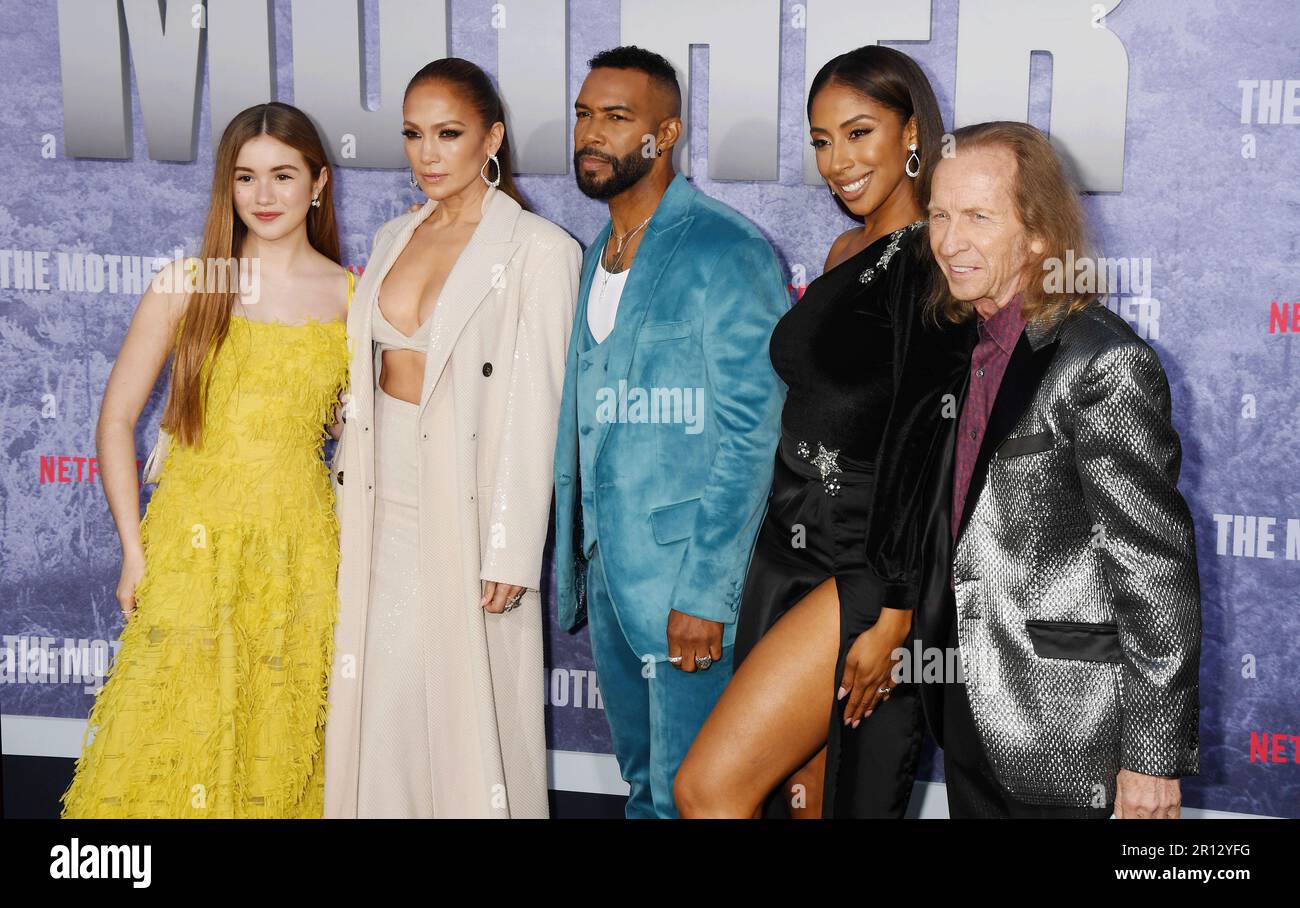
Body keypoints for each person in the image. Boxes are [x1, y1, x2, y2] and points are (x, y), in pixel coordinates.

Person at [675, 46, 970, 818]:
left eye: (859, 132)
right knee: (806, 801)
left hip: (864, 564)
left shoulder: (933, 261)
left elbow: (924, 440)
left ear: (913, 133)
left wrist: (899, 609)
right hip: (786, 549)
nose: (837, 161)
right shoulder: (846, 249)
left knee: (708, 790)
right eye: (820, 139)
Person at [60, 102, 352, 818]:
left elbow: (358, 436)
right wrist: (133, 551)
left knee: (278, 731)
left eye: (283, 175)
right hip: (192, 546)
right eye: (246, 177)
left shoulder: (352, 296)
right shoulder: (189, 284)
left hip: (302, 551)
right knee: (172, 723)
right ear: (228, 187)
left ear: (317, 183)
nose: (264, 195)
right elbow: (117, 420)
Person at [920, 120, 1201, 819]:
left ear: (1040, 235)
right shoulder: (959, 347)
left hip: (1070, 730)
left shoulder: (1103, 362)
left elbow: (1153, 567)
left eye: (979, 217)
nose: (950, 242)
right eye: (939, 215)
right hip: (970, 706)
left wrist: (1152, 757)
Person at [323, 58, 580, 819]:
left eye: (448, 133)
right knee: (375, 709)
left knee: (460, 715)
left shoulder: (540, 249)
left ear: (490, 137)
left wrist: (509, 542)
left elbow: (540, 405)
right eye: (413, 134)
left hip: (465, 509)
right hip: (375, 503)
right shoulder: (394, 233)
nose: (427, 153)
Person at [551, 46, 787, 819]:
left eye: (617, 118)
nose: (592, 133)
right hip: (613, 579)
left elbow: (755, 433)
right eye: (585, 114)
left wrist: (707, 593)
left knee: (696, 797)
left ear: (666, 133)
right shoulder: (596, 255)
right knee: (643, 788)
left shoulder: (728, 250)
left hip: (689, 588)